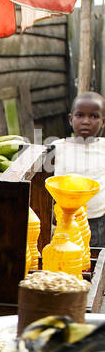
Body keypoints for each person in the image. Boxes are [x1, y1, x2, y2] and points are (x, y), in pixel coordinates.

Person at [49, 92, 105, 249]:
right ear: (70, 119)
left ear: (103, 122)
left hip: (96, 221)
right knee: (66, 259)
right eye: (80, 115)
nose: (86, 121)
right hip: (63, 220)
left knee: (94, 262)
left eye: (94, 116)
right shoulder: (57, 147)